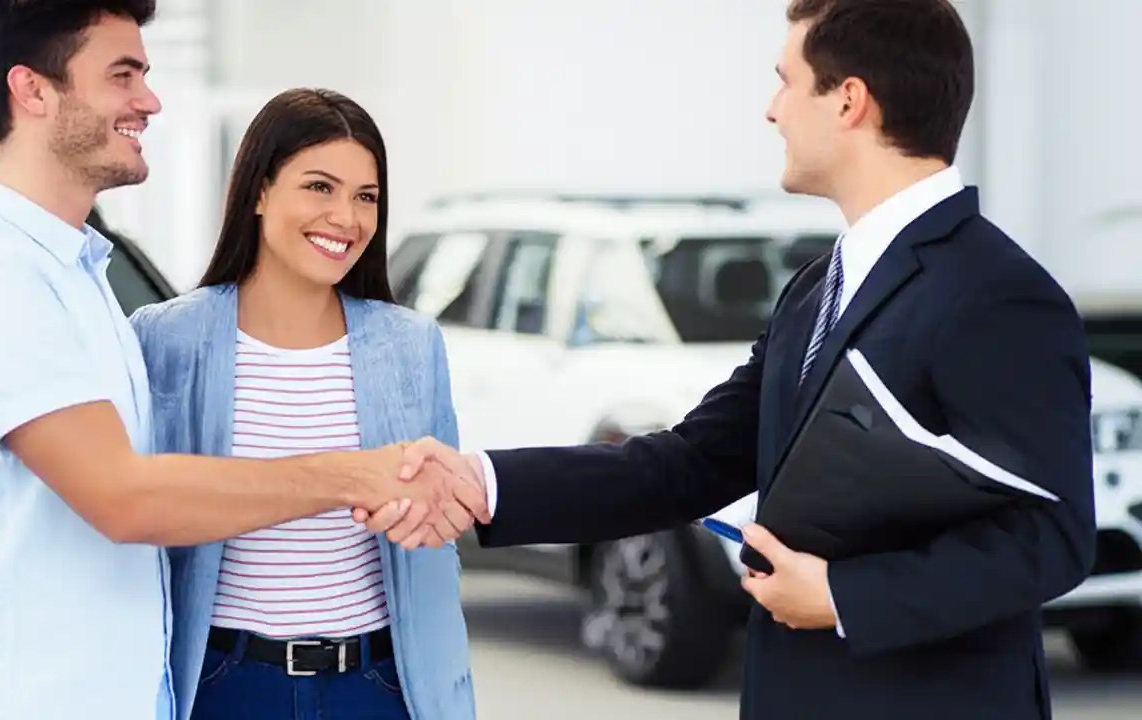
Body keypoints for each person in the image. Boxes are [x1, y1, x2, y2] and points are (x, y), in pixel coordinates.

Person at [369, 1, 1096, 718]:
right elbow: (689, 463)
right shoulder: (817, 288)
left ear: (849, 101)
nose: (772, 110)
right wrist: (479, 484)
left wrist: (846, 597)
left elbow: (1051, 538)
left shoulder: (999, 294)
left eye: (786, 80)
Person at [0, 3, 483, 719]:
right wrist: (357, 472)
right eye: (123, 74)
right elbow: (126, 497)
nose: (150, 99)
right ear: (32, 90)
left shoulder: (79, 282)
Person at [129, 88, 476, 720]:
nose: (346, 217)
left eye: (365, 197)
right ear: (260, 192)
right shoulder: (163, 340)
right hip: (224, 685)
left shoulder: (411, 345)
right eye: (320, 187)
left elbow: (441, 534)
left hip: (377, 688)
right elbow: (137, 511)